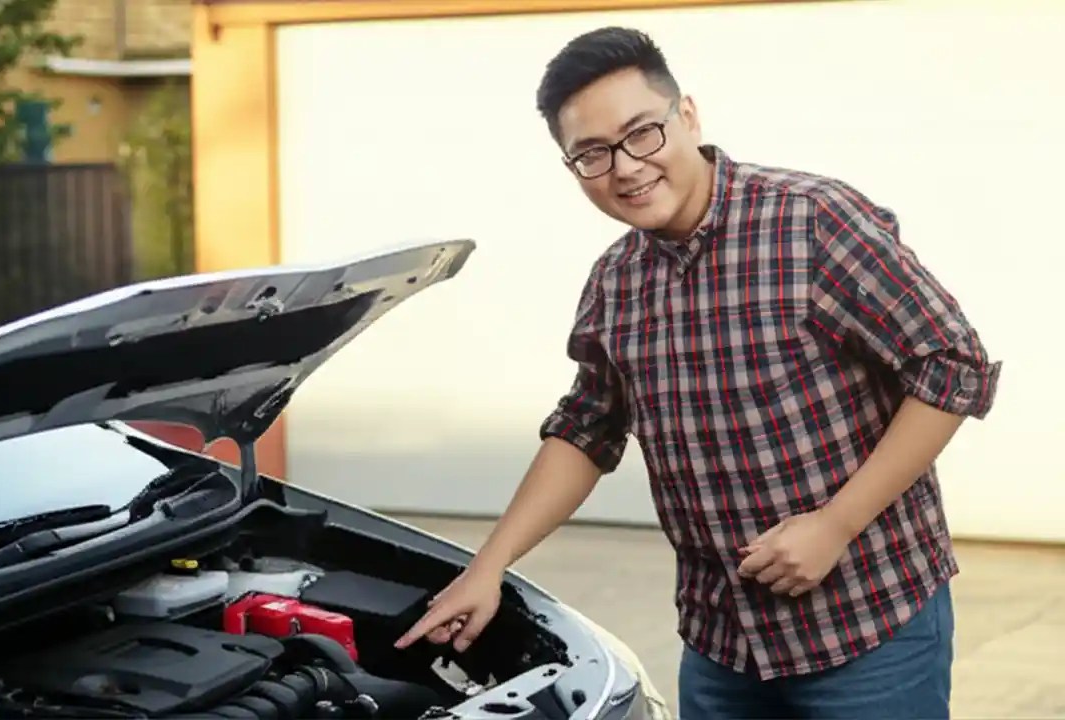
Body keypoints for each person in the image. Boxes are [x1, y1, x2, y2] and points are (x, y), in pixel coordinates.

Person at [394, 25, 1000, 719]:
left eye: (641, 134)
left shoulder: (811, 223)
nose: (625, 168)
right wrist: (489, 567)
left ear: (686, 115)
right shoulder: (615, 283)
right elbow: (586, 431)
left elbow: (954, 366)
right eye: (592, 154)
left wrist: (836, 523)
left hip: (868, 632)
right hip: (721, 650)